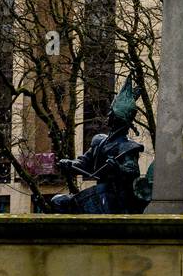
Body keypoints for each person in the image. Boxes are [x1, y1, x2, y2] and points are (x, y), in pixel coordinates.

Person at [50, 78, 146, 215]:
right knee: (58, 202)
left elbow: (132, 173)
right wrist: (70, 164)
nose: (108, 115)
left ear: (118, 119)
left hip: (116, 198)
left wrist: (118, 168)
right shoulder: (99, 141)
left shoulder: (128, 147)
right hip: (99, 194)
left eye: (111, 113)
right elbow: (84, 163)